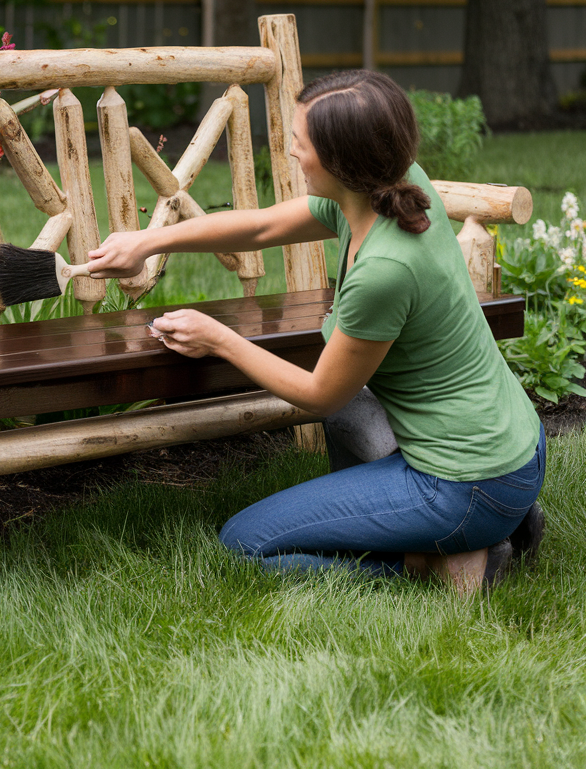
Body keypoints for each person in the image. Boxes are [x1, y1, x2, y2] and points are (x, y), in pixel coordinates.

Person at [86, 69, 545, 593]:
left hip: (466, 483)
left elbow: (321, 395)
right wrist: (147, 243)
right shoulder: (398, 185)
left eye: (300, 145)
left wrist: (220, 339)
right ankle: (502, 522)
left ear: (343, 162)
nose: (291, 153)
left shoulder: (386, 270)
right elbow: (260, 227)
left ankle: (439, 560)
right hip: (514, 445)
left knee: (246, 544)